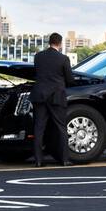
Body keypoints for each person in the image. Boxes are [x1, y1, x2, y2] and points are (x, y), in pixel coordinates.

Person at [31, 33, 77, 167]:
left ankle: (38, 160)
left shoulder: (38, 56)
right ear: (60, 44)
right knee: (61, 127)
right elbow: (69, 79)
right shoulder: (63, 59)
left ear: (49, 42)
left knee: (39, 128)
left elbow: (38, 74)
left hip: (39, 95)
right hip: (56, 96)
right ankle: (64, 159)